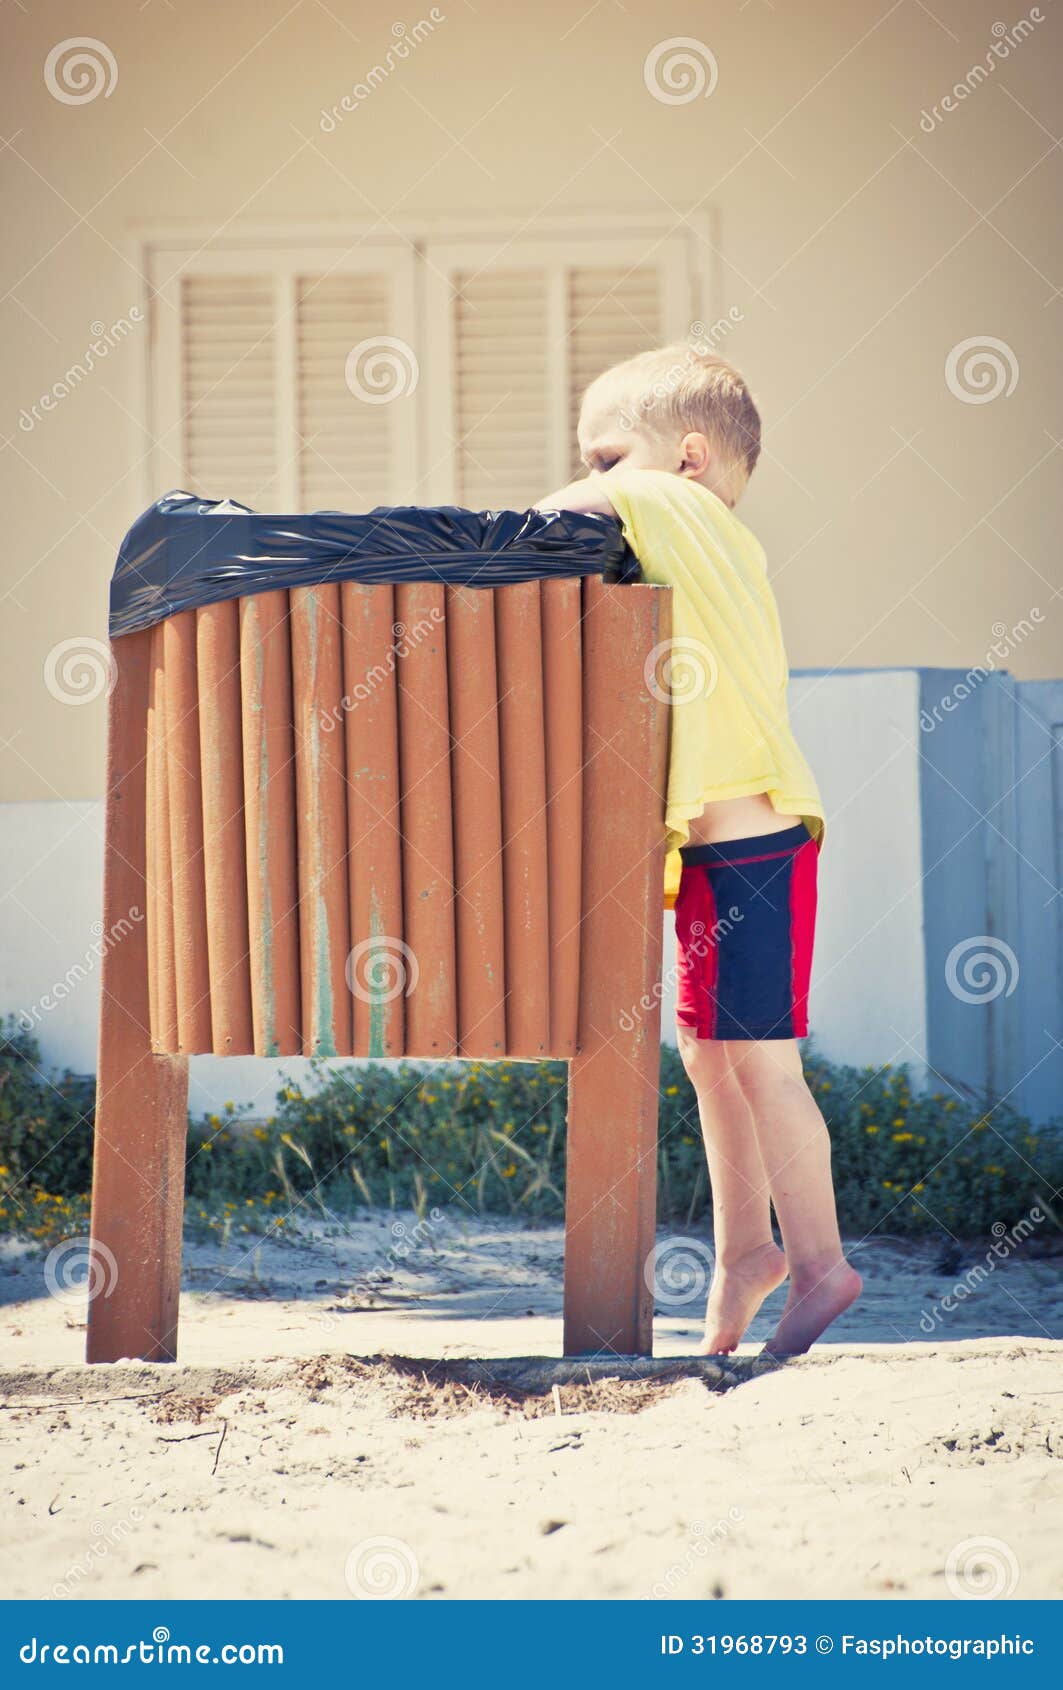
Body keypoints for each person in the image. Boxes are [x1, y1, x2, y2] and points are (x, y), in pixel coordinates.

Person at [535, 343, 861, 1356]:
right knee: (709, 1059)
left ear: (681, 458)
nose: (595, 478)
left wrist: (538, 514)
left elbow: (555, 519)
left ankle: (820, 1264)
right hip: (714, 854)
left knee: (763, 1065)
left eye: (604, 456)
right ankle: (742, 1256)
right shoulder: (688, 531)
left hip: (755, 850)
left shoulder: (683, 509)